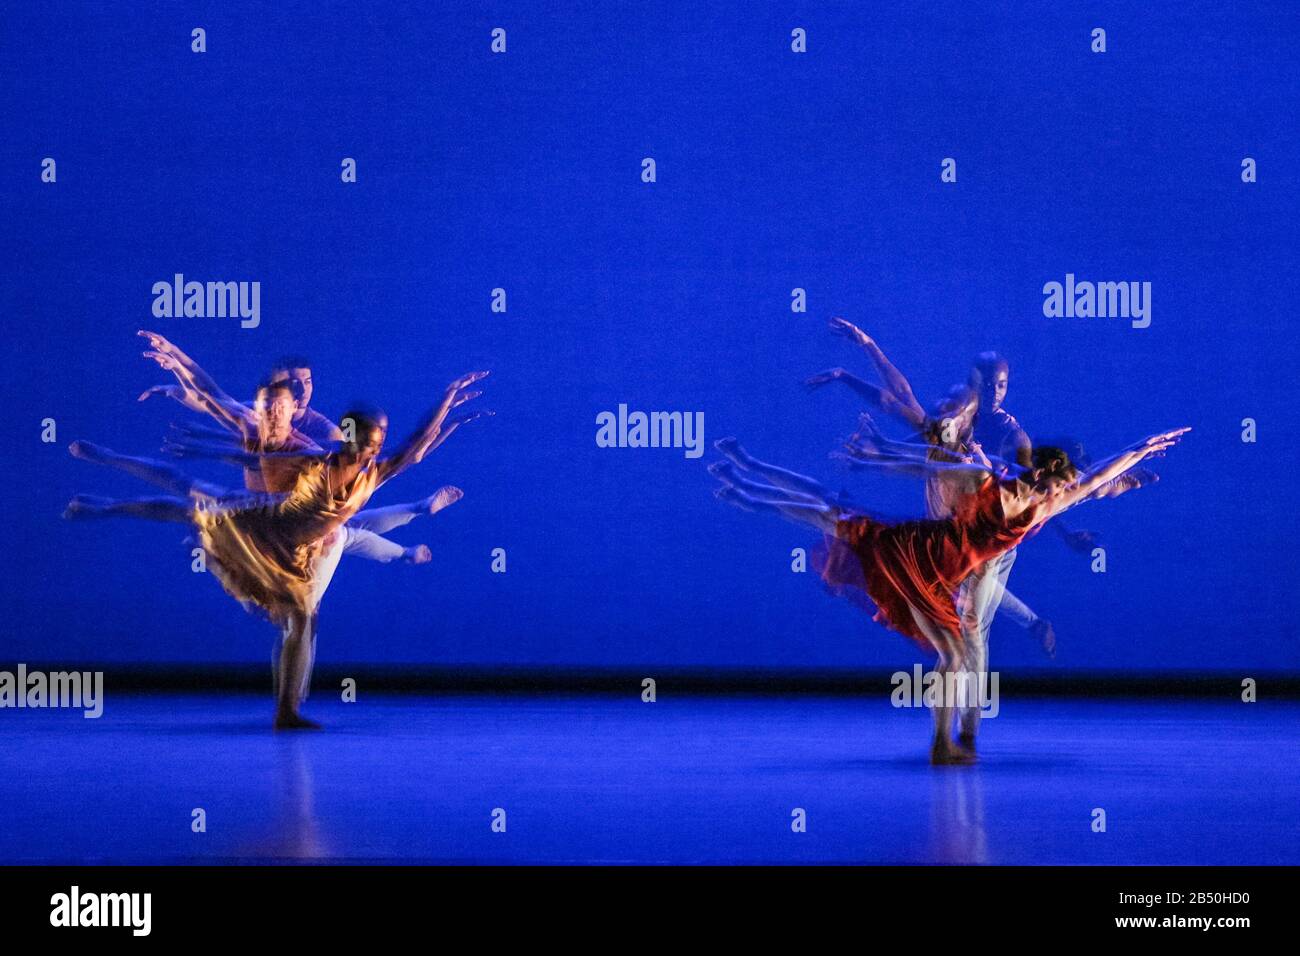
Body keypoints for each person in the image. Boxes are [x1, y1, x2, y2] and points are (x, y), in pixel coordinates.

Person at [67, 332, 491, 729]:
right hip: (264, 526)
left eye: (378, 443)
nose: (373, 450)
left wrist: (448, 404)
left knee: (309, 606)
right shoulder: (314, 456)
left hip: (301, 546)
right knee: (192, 506)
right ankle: (107, 505)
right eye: (366, 441)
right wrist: (176, 363)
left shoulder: (361, 465)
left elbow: (414, 447)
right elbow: (212, 398)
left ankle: (287, 710)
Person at [710, 425, 1188, 763]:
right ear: (1044, 474)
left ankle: (944, 743)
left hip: (939, 577)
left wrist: (1142, 448)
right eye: (1063, 482)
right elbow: (922, 468)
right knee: (831, 521)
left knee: (954, 656)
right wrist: (874, 458)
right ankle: (744, 491)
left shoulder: (1044, 504)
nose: (1068, 491)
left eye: (1068, 487)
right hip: (915, 551)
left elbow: (1100, 478)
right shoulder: (985, 480)